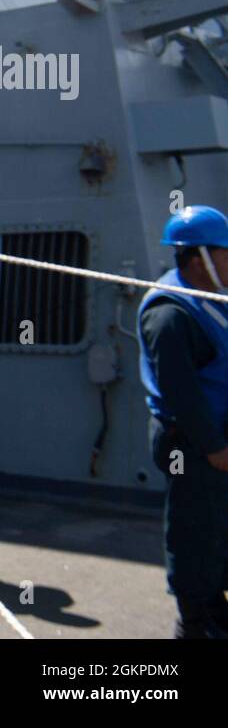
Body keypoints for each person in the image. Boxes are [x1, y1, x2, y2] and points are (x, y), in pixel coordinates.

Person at [137, 205, 228, 638]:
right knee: (194, 531)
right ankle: (192, 624)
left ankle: (215, 609)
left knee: (218, 528)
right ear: (199, 259)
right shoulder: (171, 315)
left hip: (212, 437)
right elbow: (181, 393)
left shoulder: (212, 297)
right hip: (189, 443)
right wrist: (215, 447)